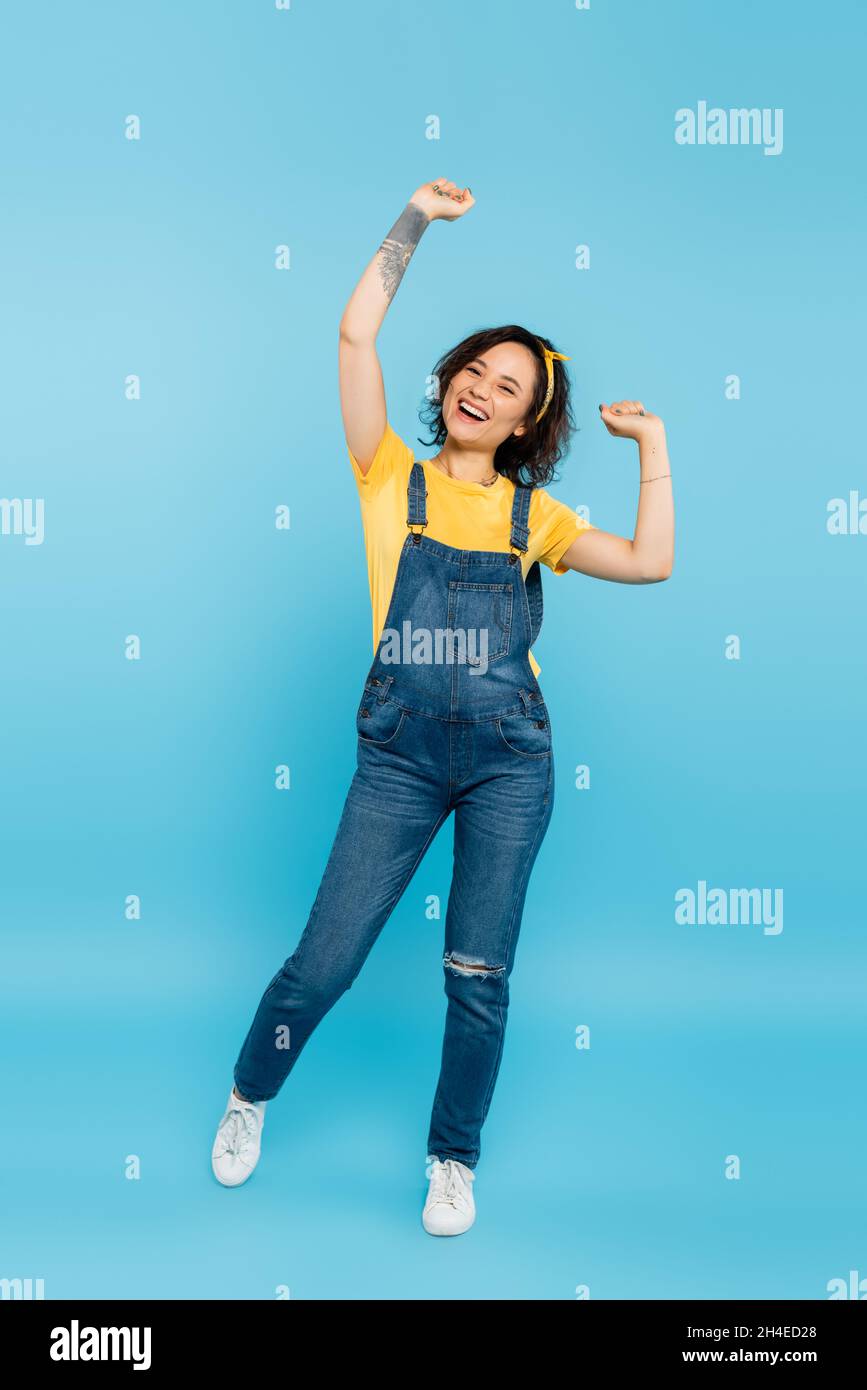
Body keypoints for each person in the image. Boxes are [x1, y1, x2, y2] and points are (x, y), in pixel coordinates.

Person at [211, 178, 675, 1236]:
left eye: (506, 383)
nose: (481, 386)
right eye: (473, 368)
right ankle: (250, 1093)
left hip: (512, 761)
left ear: (527, 418)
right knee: (324, 960)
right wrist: (413, 221)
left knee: (478, 973)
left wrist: (651, 445)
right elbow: (351, 334)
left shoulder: (536, 515)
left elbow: (651, 562)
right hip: (401, 758)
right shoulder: (389, 476)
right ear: (450, 384)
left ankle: (452, 1158)